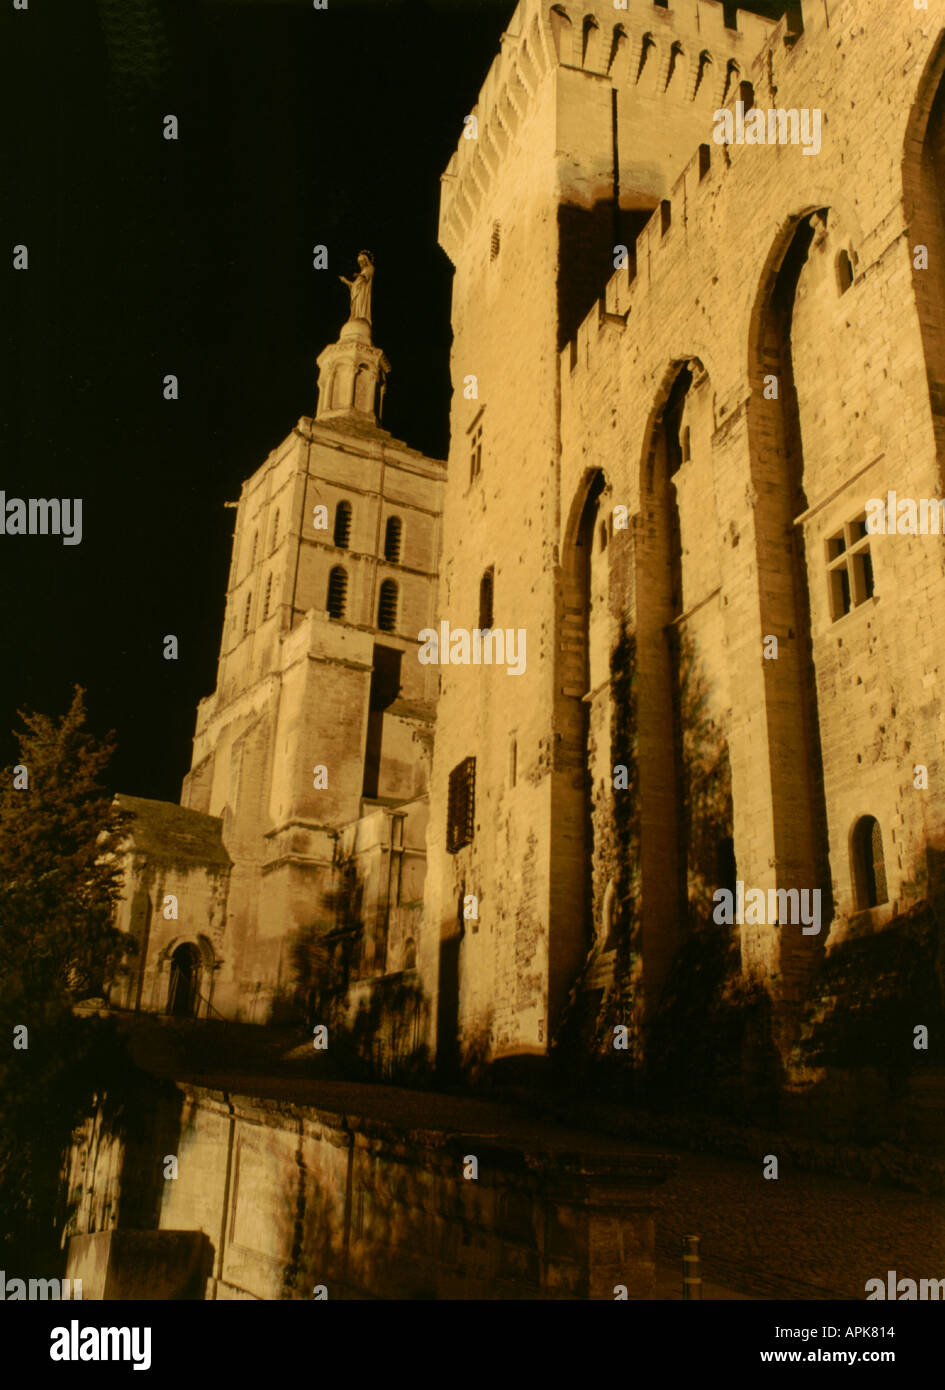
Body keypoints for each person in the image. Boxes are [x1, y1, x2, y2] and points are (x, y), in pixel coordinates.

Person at [339, 250, 374, 325]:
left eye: (362, 262)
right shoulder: (361, 274)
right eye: (359, 262)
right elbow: (354, 285)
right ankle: (356, 318)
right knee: (356, 308)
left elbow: (365, 276)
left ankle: (361, 318)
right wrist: (345, 281)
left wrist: (358, 275)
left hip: (364, 293)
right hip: (358, 294)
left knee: (361, 308)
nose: (361, 264)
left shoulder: (369, 268)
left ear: (366, 261)